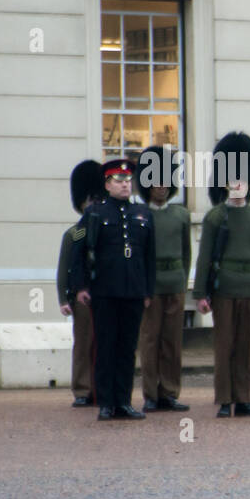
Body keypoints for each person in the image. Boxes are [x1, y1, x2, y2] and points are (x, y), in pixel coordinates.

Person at [193, 131, 250, 418]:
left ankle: (245, 397)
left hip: (248, 288)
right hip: (223, 287)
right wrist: (201, 293)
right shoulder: (215, 217)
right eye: (234, 178)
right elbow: (205, 258)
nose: (238, 184)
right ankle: (224, 398)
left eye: (243, 179)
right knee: (224, 345)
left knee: (247, 347)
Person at [75, 158, 156, 421]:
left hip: (133, 291)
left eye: (128, 181)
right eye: (119, 181)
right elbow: (77, 249)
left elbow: (149, 257)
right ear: (108, 184)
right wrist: (80, 286)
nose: (125, 186)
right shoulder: (94, 214)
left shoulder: (143, 214)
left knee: (126, 349)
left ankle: (123, 401)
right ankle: (106, 402)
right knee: (106, 347)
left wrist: (148, 291)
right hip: (105, 291)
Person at [134, 146, 190, 413]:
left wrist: (182, 281)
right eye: (156, 182)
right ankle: (150, 394)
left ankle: (169, 391)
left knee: (172, 341)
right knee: (150, 340)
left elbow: (186, 252)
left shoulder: (181, 215)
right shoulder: (141, 215)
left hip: (174, 283)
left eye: (166, 181)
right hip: (151, 285)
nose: (162, 187)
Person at [58, 160, 104, 407]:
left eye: (96, 199)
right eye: (89, 200)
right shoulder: (74, 234)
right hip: (82, 295)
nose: (92, 205)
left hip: (105, 293)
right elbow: (64, 267)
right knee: (84, 342)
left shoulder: (108, 230)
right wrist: (63, 299)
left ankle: (100, 387)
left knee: (104, 343)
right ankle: (82, 390)